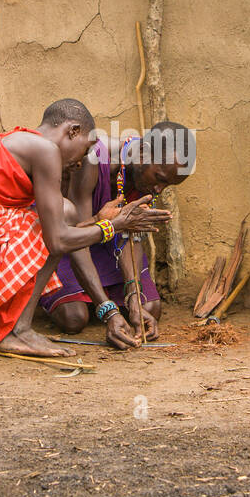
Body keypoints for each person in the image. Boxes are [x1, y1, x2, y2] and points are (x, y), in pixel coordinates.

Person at [0, 100, 171, 357]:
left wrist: (101, 223)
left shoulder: (14, 140)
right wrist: (112, 226)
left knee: (32, 217)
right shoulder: (46, 151)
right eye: (85, 149)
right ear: (72, 131)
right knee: (63, 213)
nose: (79, 161)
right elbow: (59, 241)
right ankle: (20, 330)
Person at [41, 122, 195, 340]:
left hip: (108, 244)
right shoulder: (92, 158)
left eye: (168, 185)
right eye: (160, 178)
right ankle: (91, 298)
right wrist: (108, 311)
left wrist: (133, 296)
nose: (159, 190)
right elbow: (77, 236)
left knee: (149, 308)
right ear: (142, 152)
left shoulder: (143, 182)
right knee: (73, 318)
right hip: (72, 243)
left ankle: (110, 297)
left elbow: (130, 236)